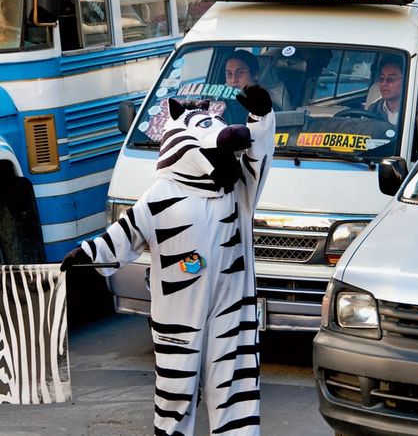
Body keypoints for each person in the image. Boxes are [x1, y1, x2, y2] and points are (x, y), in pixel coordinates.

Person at [61, 85, 275, 436]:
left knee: (235, 388)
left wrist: (262, 118)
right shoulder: (161, 194)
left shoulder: (238, 192)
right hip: (179, 316)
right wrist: (86, 257)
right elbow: (126, 234)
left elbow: (259, 155)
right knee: (176, 393)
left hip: (231, 309)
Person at [368, 57, 405, 125]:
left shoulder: (416, 110)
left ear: (405, 80)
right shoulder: (373, 108)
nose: (384, 84)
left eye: (391, 79)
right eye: (381, 79)